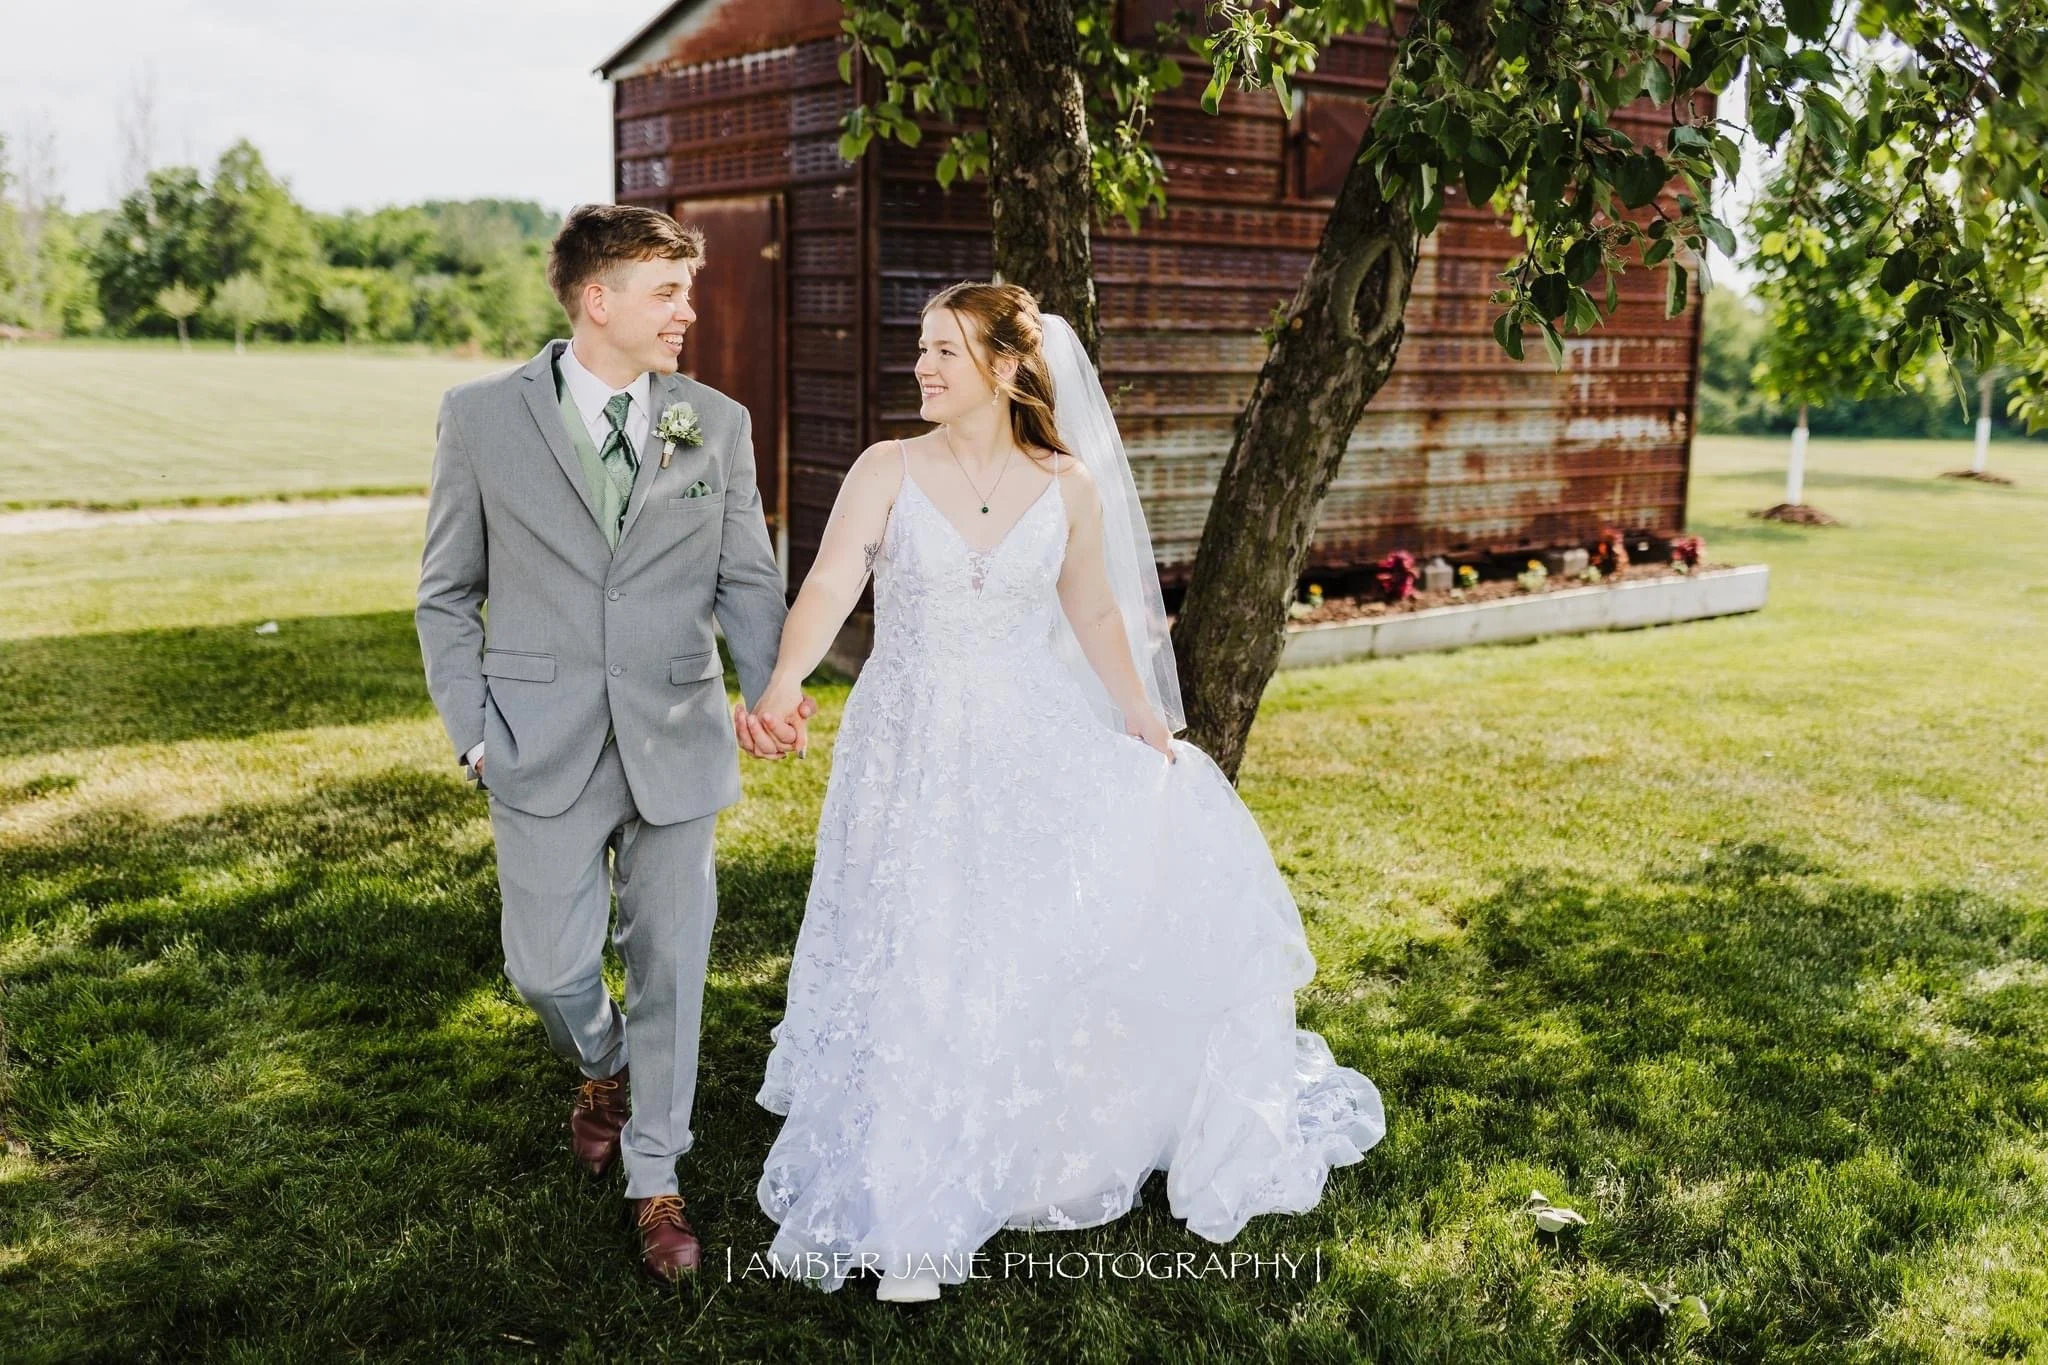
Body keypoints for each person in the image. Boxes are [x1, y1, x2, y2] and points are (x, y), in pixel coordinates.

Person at [739, 281, 1386, 1301]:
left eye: (946, 351)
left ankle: (1022, 1134)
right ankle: (908, 1176)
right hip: (907, 738)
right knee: (917, 929)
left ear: (1004, 369)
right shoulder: (886, 468)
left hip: (1024, 733)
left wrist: (1140, 717)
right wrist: (782, 681)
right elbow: (828, 583)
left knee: (1010, 929)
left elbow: (1091, 611)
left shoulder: (1068, 485)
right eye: (920, 348)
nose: (922, 367)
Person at [415, 203, 812, 1283]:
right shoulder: (480, 418)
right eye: (667, 291)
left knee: (673, 966)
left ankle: (657, 1178)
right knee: (544, 968)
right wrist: (475, 735)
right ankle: (601, 1068)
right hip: (533, 740)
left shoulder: (710, 422)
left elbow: (743, 574)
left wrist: (770, 685)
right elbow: (446, 595)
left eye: (687, 290)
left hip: (676, 730)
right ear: (598, 301)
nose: (689, 310)